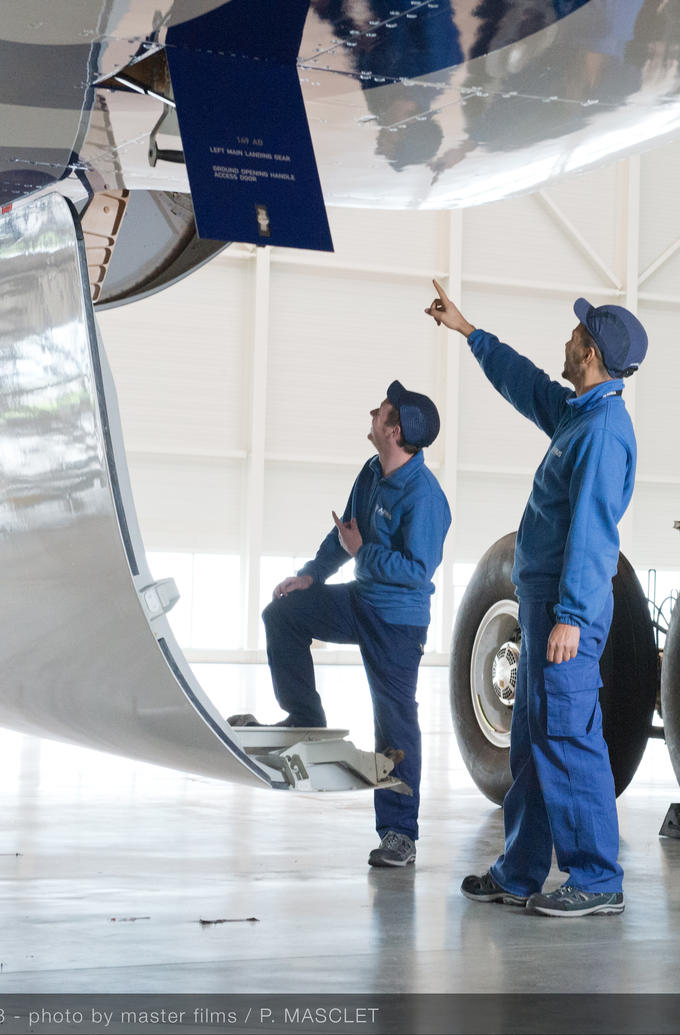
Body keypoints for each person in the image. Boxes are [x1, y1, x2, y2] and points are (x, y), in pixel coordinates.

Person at [425, 279, 647, 918]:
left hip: (565, 610)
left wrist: (573, 617)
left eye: (577, 335)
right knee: (531, 743)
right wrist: (470, 333)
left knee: (568, 740)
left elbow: (593, 532)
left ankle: (597, 880)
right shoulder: (580, 414)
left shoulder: (603, 432)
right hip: (543, 603)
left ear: (593, 354)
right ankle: (519, 871)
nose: (568, 339)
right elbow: (523, 384)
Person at [260, 381, 451, 868]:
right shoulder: (371, 471)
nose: (373, 410)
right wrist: (309, 576)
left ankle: (399, 834)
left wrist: (361, 552)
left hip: (397, 622)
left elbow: (416, 570)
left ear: (395, 429)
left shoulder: (426, 497)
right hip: (359, 599)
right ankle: (305, 716)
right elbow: (344, 531)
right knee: (282, 613)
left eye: (382, 410)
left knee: (393, 722)